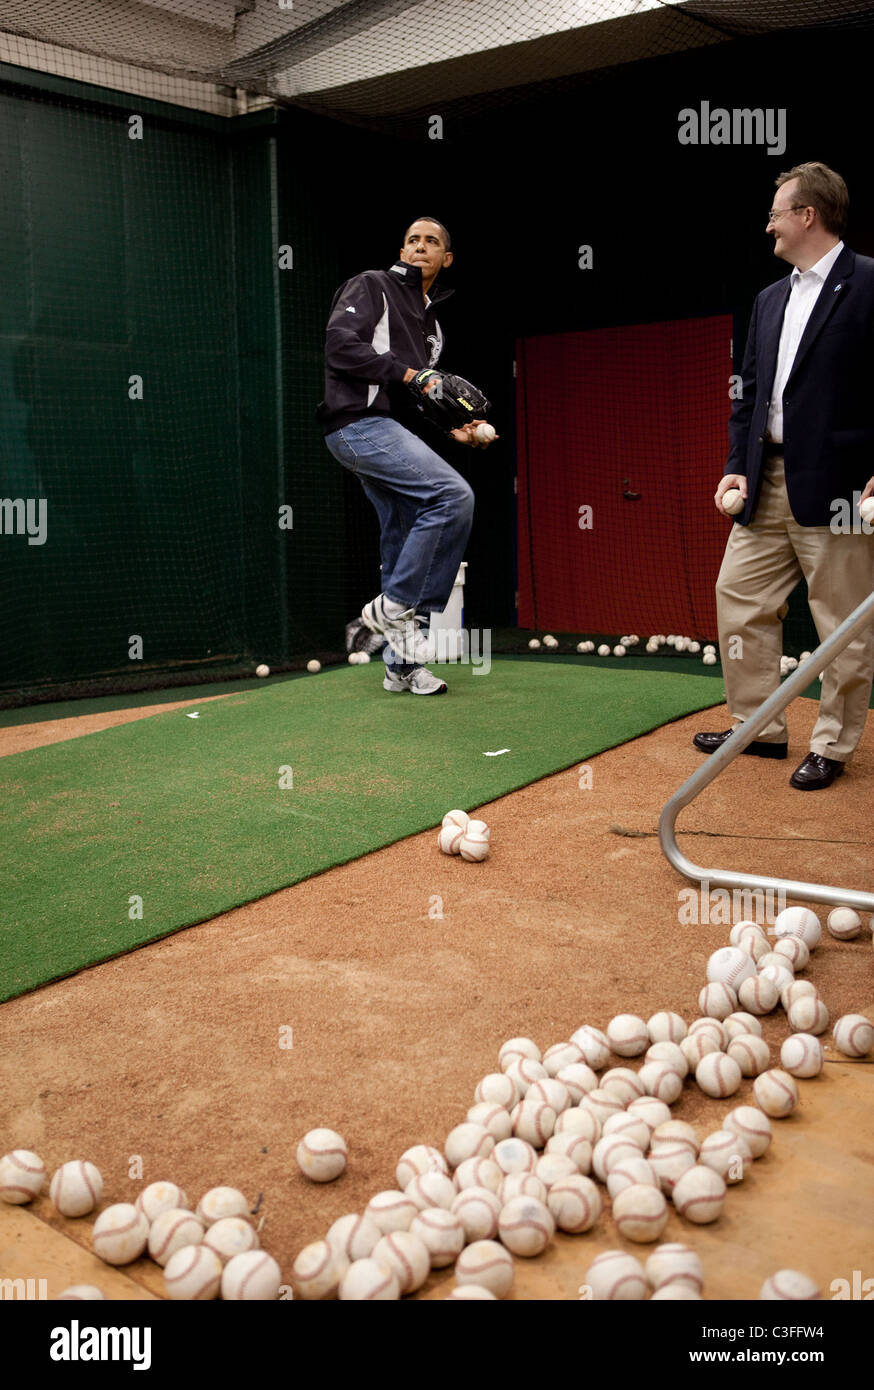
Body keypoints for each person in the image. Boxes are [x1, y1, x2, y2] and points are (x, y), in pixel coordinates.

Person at [694, 162, 874, 788]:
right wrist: (734, 470)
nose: (768, 222)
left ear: (808, 215)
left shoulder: (870, 283)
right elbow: (749, 399)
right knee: (738, 599)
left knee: (842, 619)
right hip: (764, 479)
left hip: (842, 486)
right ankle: (757, 726)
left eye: (777, 211)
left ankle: (834, 744)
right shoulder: (770, 297)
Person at [317, 217, 495, 695]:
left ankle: (401, 667)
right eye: (413, 239)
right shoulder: (372, 285)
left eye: (432, 241)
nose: (421, 247)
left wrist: (457, 428)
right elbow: (340, 348)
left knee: (404, 533)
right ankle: (391, 607)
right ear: (402, 248)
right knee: (451, 496)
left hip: (386, 427)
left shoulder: (432, 325)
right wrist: (414, 375)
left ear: (446, 258)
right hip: (354, 424)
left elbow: (415, 395)